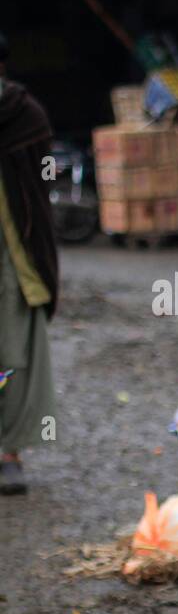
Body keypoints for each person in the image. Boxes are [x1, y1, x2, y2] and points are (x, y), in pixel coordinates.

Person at [0, 37, 58, 496]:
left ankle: (10, 454)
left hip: (11, 256)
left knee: (13, 353)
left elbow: (41, 188)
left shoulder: (25, 116)